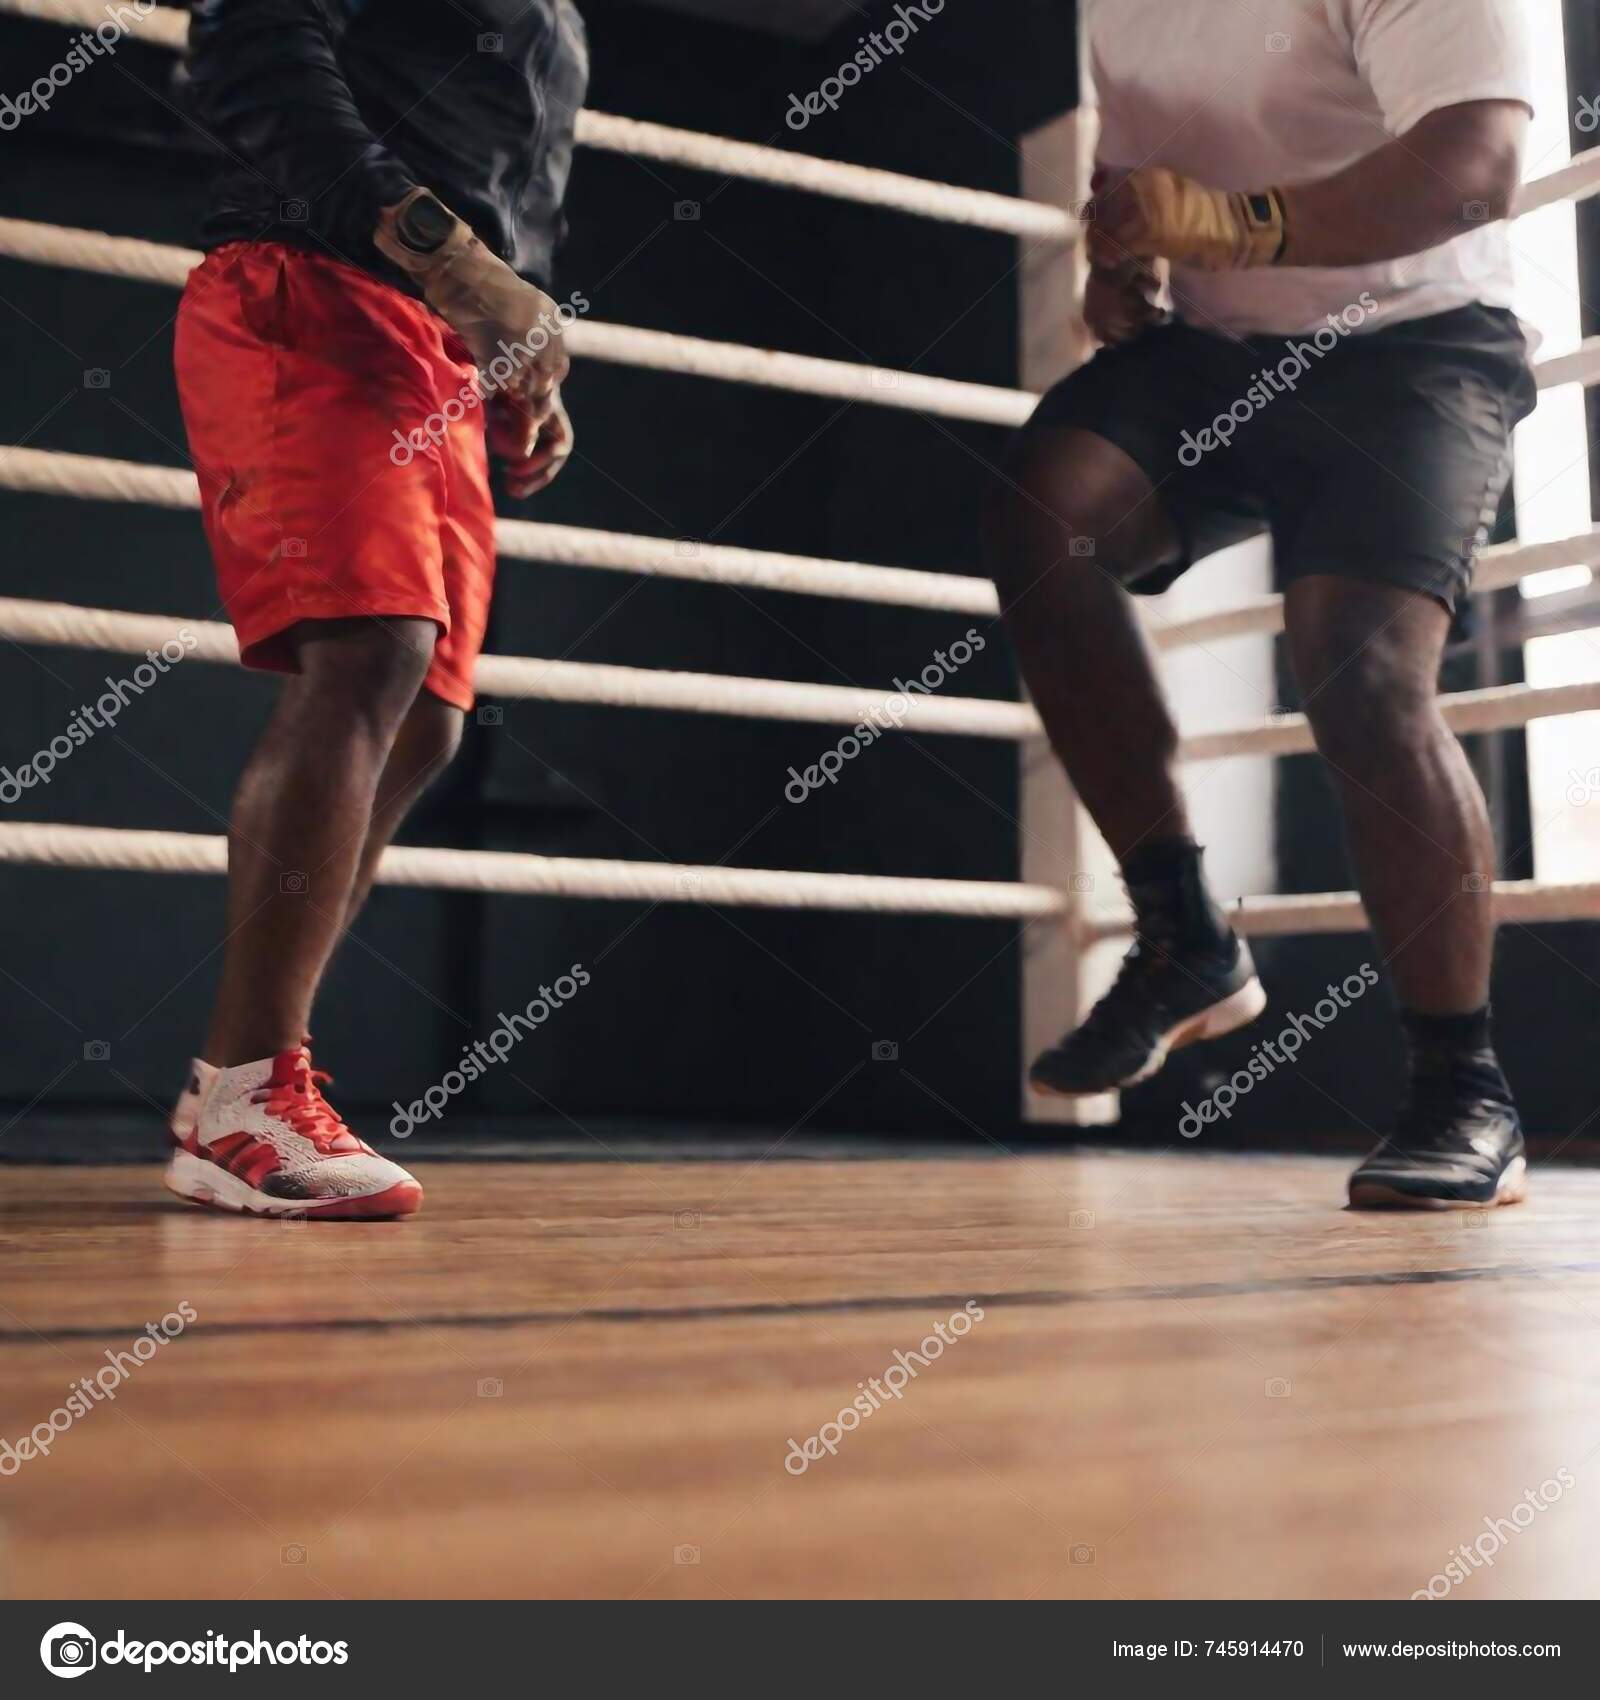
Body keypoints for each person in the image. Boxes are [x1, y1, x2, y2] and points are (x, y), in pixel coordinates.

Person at [984, 0, 1537, 1208]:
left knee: (1361, 672)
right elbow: (1140, 167)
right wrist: (1120, 259)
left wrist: (1229, 227)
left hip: (1414, 344)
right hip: (1220, 348)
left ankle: (1463, 1089)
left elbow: (1476, 166)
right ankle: (1184, 931)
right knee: (1044, 519)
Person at [167, 0, 590, 1218]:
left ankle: (227, 1097)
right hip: (314, 288)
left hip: (443, 350)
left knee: (427, 721)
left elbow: (505, 164)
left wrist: (510, 340)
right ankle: (251, 1089)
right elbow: (249, 50)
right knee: (372, 650)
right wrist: (458, 268)